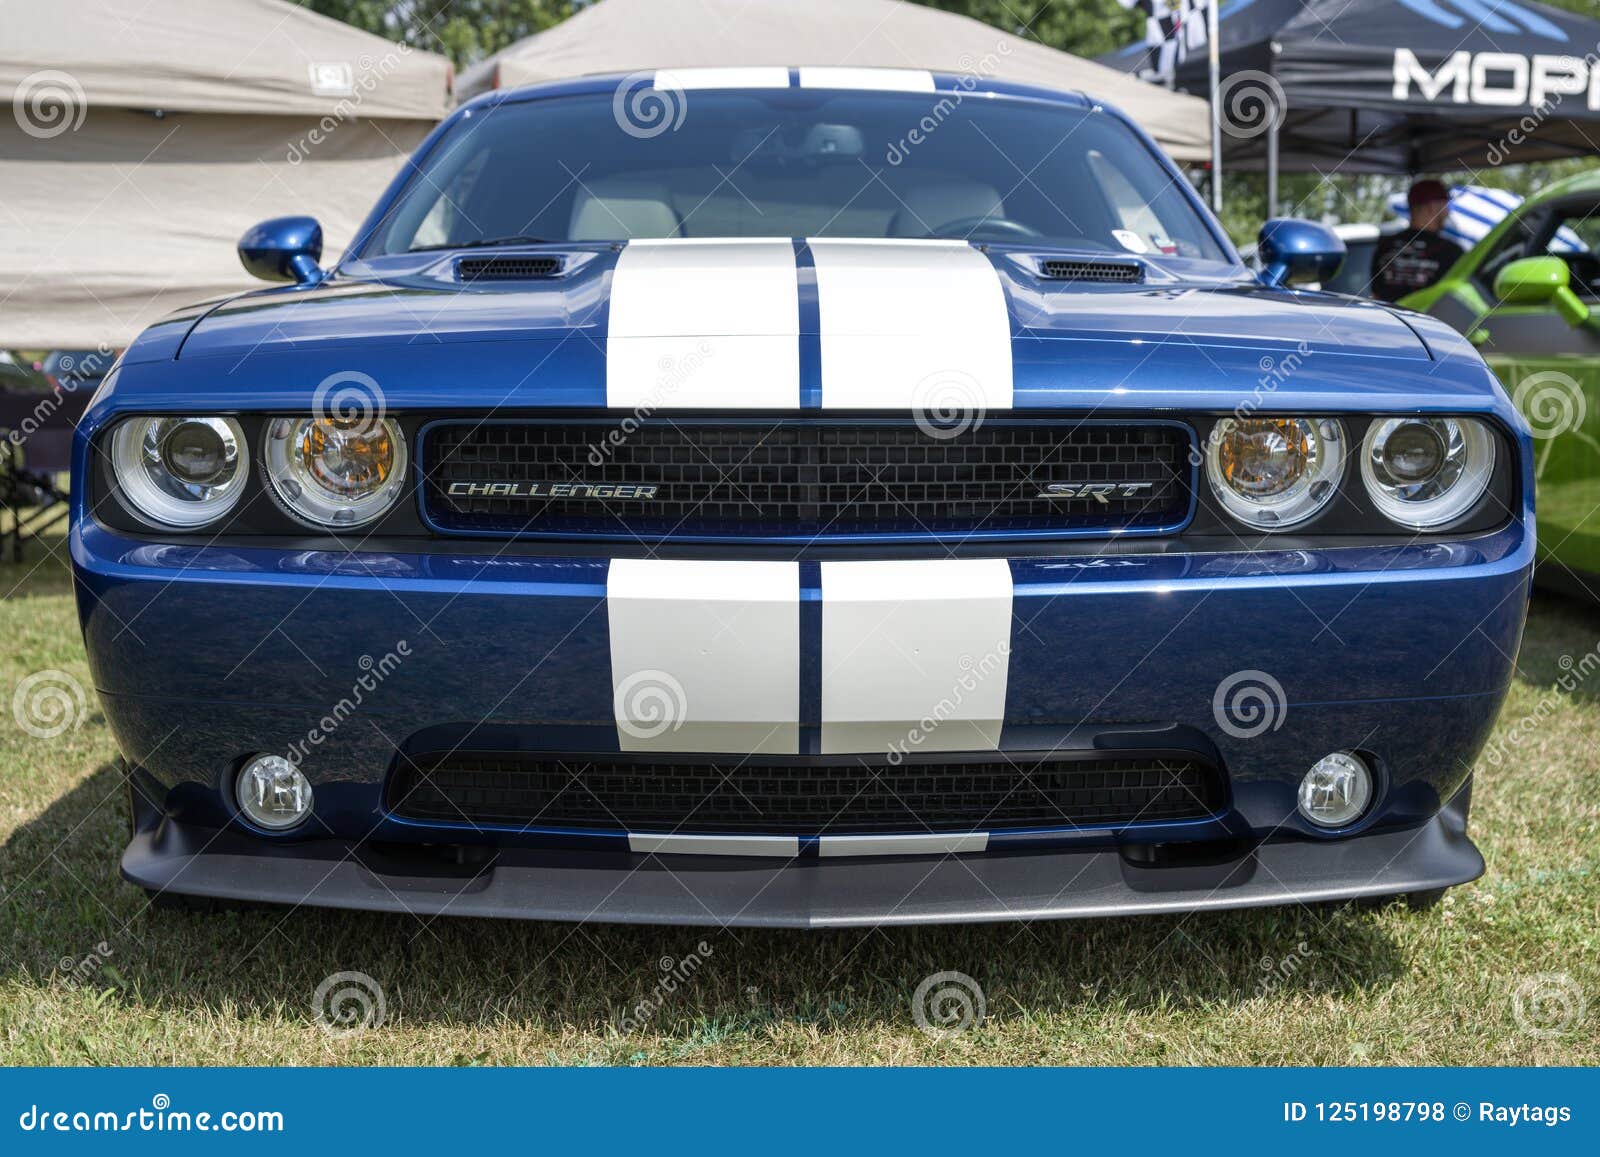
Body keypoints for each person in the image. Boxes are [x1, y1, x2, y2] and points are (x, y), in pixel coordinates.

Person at [1370, 179, 1465, 303]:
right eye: (1446, 205)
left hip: (1387, 321)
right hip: (1430, 322)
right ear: (1433, 207)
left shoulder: (1384, 247)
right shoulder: (1451, 252)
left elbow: (1376, 296)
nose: (1448, 212)